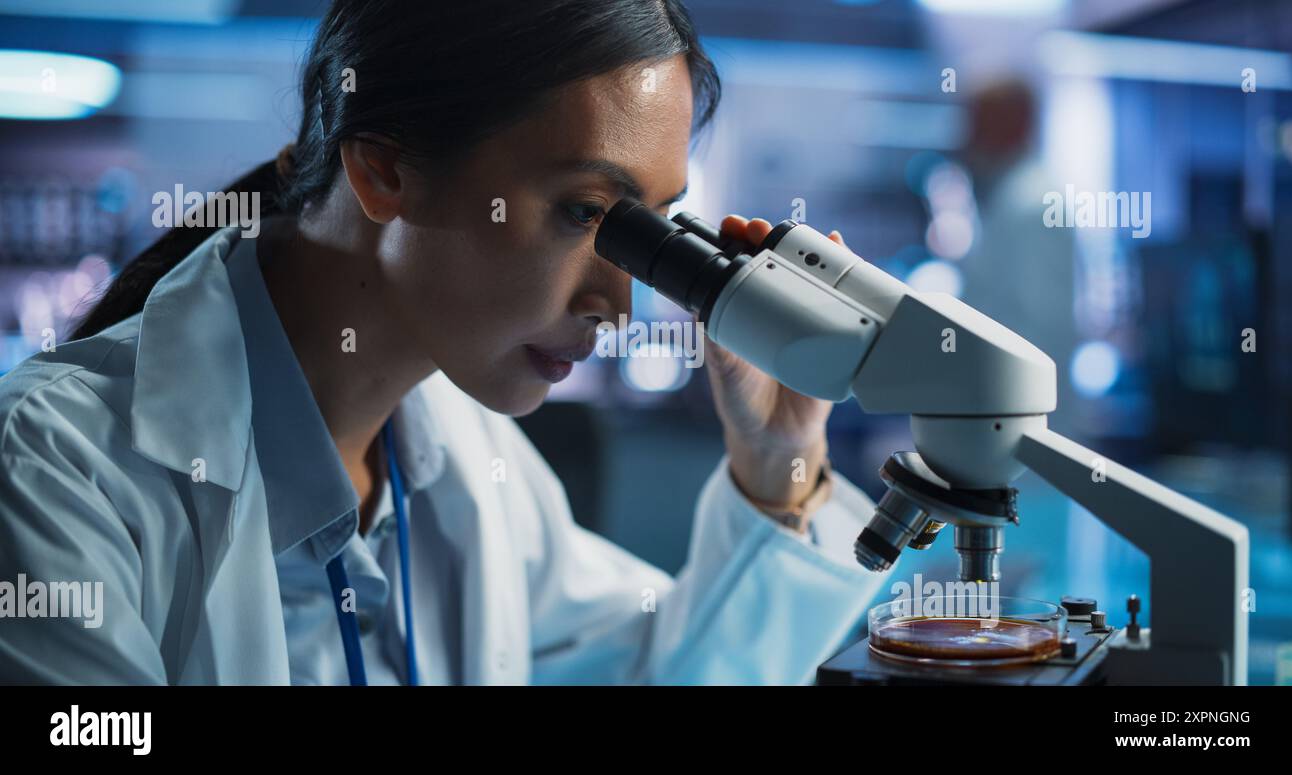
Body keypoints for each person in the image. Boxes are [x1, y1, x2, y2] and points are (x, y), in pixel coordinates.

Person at [0, 0, 890, 685]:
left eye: (650, 230)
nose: (617, 302)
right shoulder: (56, 471)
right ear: (382, 171)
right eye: (586, 213)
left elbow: (656, 667)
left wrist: (781, 458)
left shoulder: (468, 468)